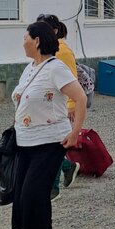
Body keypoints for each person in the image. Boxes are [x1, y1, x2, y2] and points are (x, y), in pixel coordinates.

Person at [11, 21, 86, 229]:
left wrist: (75, 133)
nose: (22, 41)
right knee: (22, 193)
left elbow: (80, 97)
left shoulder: (56, 68)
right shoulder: (30, 68)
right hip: (26, 140)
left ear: (37, 41)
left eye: (25, 37)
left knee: (35, 192)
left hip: (51, 141)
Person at [38, 14, 81, 196]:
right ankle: (67, 166)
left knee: (54, 144)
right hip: (46, 102)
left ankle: (52, 187)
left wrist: (72, 104)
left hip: (60, 104)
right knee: (49, 144)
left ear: (54, 31)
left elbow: (73, 78)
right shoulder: (45, 49)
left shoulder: (62, 50)